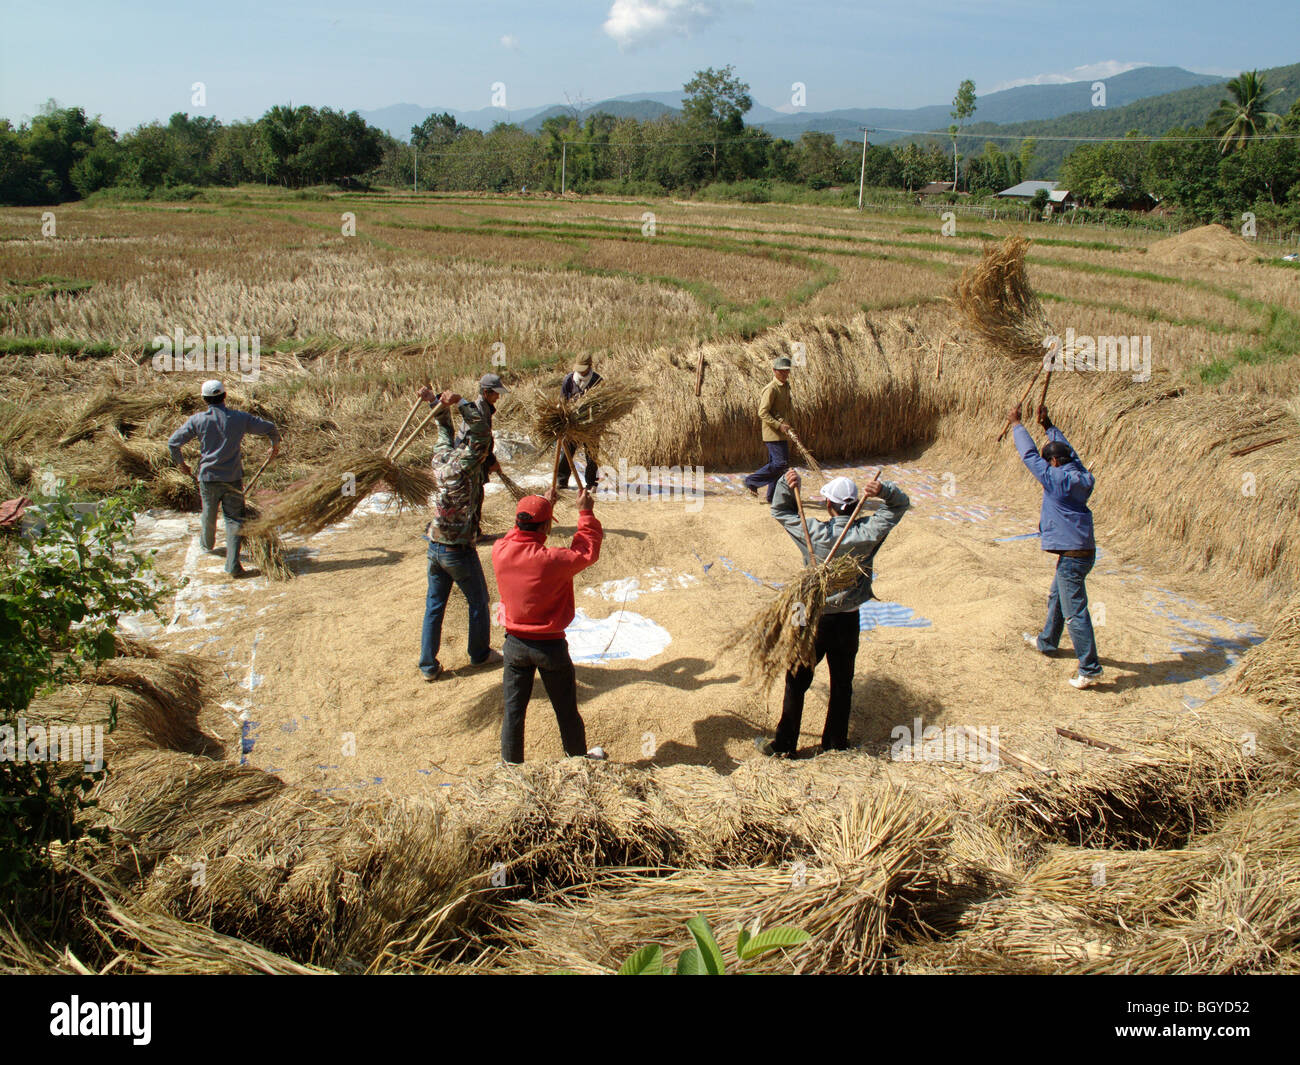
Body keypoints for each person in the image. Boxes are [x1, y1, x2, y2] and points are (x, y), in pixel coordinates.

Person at [755, 469, 911, 758]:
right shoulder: (867, 534)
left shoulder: (814, 533)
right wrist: (884, 491)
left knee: (796, 681)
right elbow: (900, 505)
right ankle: (835, 742)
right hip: (848, 619)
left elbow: (779, 509)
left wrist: (787, 487)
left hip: (812, 618)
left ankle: (784, 744)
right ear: (856, 506)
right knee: (842, 683)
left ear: (829, 506)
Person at [491, 485, 605, 763]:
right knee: (565, 710)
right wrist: (585, 512)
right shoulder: (552, 560)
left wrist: (543, 504)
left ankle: (511, 768)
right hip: (550, 647)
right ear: (545, 528)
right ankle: (577, 760)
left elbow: (517, 531)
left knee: (513, 712)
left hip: (514, 646)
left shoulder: (499, 550)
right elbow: (587, 550)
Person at [1011, 403, 1103, 689]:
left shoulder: (1055, 479)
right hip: (1082, 552)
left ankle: (1089, 668)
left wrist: (1017, 425)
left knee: (1075, 611)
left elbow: (1028, 455)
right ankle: (1047, 641)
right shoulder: (1082, 476)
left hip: (1073, 556)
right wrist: (1048, 426)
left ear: (1052, 463)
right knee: (1056, 596)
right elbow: (1069, 452)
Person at [415, 384, 502, 681]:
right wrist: (462, 401)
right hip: (458, 549)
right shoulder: (466, 463)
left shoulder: (441, 459)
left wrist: (434, 403)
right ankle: (479, 654)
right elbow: (481, 431)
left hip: (435, 544)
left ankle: (428, 666)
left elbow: (442, 430)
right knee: (478, 601)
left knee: (434, 605)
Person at [168, 379, 280, 577]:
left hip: (208, 477)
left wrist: (182, 464)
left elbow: (173, 443)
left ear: (204, 399)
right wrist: (274, 445)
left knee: (209, 512)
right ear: (225, 396)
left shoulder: (197, 420)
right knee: (234, 520)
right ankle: (232, 565)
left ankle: (206, 544)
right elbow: (270, 427)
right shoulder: (239, 418)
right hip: (232, 477)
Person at [743, 356, 795, 503]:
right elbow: (762, 412)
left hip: (782, 433)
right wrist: (779, 425)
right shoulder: (771, 389)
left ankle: (771, 497)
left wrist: (788, 425)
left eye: (787, 371)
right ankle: (752, 480)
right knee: (780, 464)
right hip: (772, 434)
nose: (785, 374)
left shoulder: (785, 387)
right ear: (774, 371)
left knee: (779, 467)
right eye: (782, 371)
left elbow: (783, 410)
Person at [556, 355, 604, 491]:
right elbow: (562, 400)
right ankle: (562, 480)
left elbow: (602, 404)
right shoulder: (569, 380)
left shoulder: (597, 381)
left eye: (584, 369)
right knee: (566, 452)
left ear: (590, 366)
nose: (581, 372)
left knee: (592, 454)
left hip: (591, 425)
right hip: (572, 424)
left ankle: (591, 483)